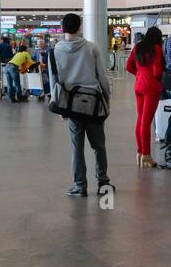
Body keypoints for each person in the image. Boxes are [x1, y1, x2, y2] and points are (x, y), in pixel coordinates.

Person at [51, 13, 112, 197]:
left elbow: (55, 80)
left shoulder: (55, 50)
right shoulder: (91, 48)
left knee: (77, 147)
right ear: (79, 27)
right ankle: (103, 182)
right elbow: (102, 76)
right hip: (93, 104)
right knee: (99, 145)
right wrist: (106, 100)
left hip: (71, 105)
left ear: (63, 27)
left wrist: (60, 107)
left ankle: (80, 186)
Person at [125, 27, 164, 168]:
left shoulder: (138, 46)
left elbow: (128, 66)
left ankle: (140, 153)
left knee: (140, 119)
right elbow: (157, 71)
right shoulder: (156, 48)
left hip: (138, 85)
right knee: (146, 122)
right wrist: (154, 77)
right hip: (151, 87)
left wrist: (140, 74)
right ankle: (146, 156)